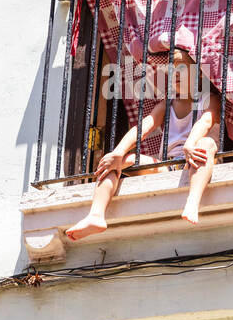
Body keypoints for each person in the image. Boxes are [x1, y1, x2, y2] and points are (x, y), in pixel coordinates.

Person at [66, 48, 223, 240]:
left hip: (199, 161)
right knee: (121, 160)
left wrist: (190, 144)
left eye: (181, 68)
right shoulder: (168, 104)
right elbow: (144, 126)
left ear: (198, 71)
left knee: (206, 143)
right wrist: (118, 152)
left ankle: (193, 201)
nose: (175, 75)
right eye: (171, 70)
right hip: (170, 166)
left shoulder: (210, 99)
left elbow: (206, 122)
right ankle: (96, 215)